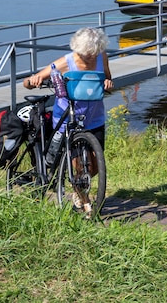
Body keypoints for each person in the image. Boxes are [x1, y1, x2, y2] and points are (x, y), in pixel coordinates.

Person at [24, 27, 113, 213]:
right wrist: (33, 80)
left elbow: (107, 77)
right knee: (79, 168)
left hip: (95, 117)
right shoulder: (66, 62)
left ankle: (78, 190)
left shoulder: (101, 57)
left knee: (96, 166)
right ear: (78, 49)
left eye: (93, 53)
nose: (90, 57)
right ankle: (84, 201)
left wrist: (107, 82)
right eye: (86, 54)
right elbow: (30, 81)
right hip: (69, 118)